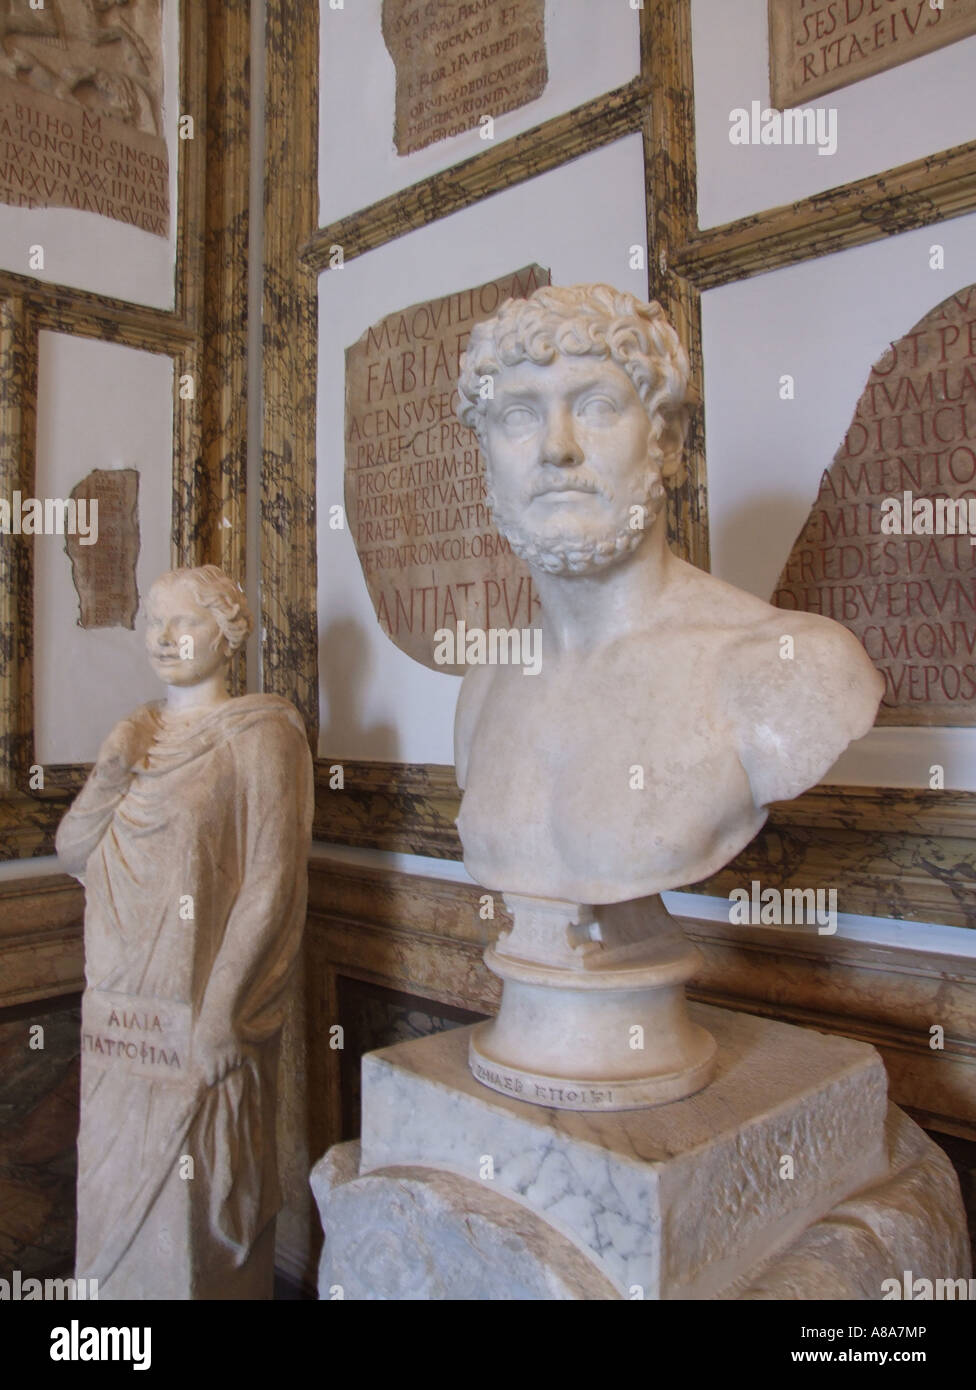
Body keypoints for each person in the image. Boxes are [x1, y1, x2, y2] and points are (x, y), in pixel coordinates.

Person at [453, 284, 883, 905]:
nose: (557, 447)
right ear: (487, 458)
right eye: (519, 415)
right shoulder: (486, 684)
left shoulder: (788, 666)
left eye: (597, 405)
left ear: (669, 442)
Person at [57, 565, 313, 1299]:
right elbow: (74, 852)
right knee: (112, 1194)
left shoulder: (262, 734)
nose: (163, 639)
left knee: (189, 1210)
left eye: (183, 623)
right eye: (152, 623)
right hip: (118, 1008)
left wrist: (222, 1016)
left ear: (227, 632)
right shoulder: (141, 730)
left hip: (198, 1009)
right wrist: (113, 766)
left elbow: (268, 883)